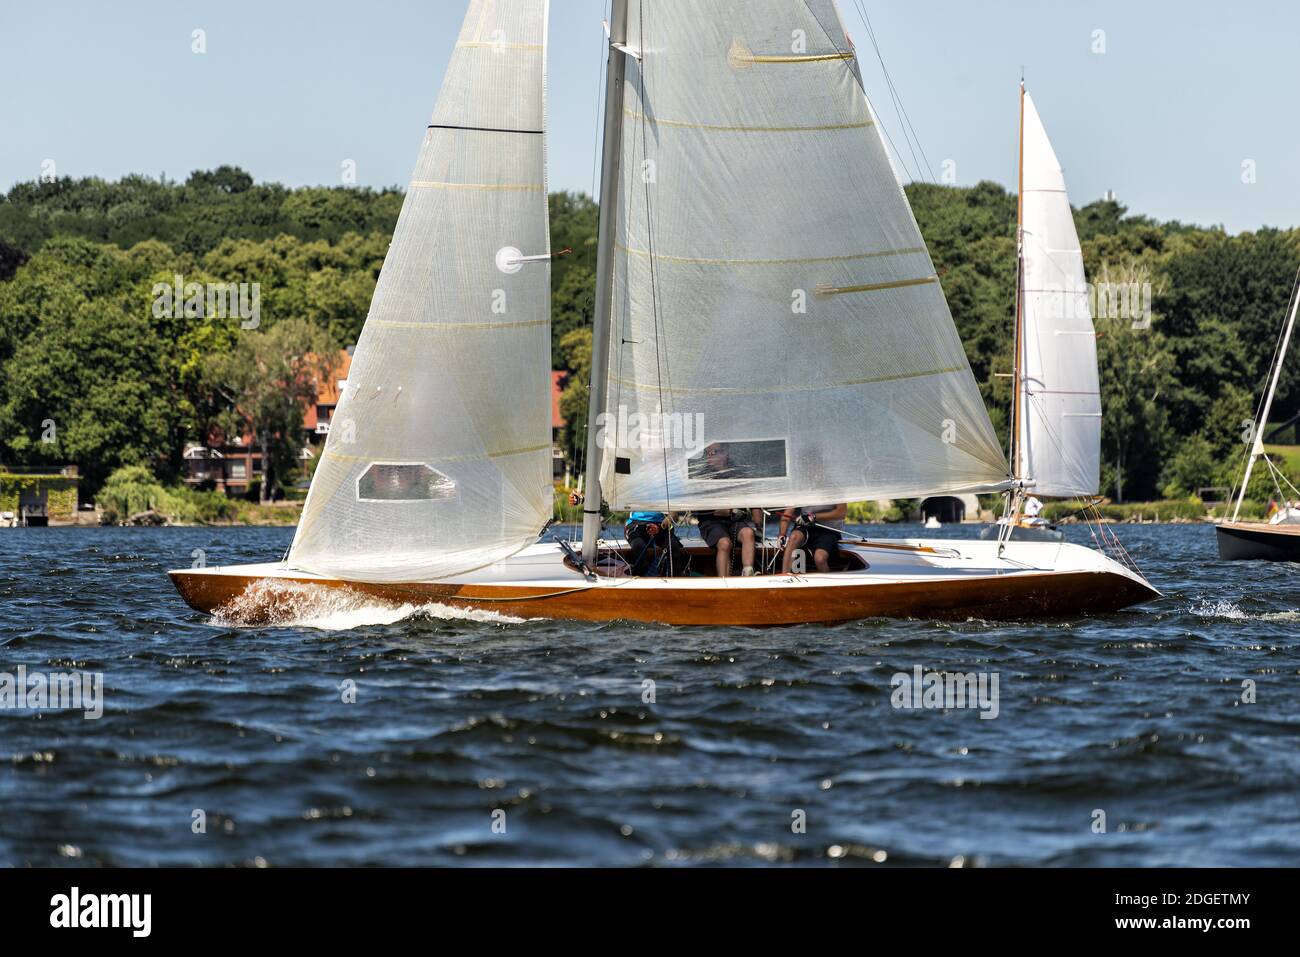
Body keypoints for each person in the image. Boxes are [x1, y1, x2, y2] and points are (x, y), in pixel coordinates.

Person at [696, 507, 763, 577]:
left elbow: (754, 505)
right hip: (711, 522)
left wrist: (758, 526)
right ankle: (723, 582)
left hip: (736, 521)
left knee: (748, 533)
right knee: (725, 543)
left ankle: (748, 574)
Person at [779, 504, 846, 574]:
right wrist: (782, 534)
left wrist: (814, 516)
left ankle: (830, 583)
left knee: (820, 558)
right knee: (794, 537)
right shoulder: (798, 492)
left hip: (829, 530)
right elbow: (788, 513)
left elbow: (841, 513)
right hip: (806, 526)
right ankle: (785, 576)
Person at [625, 509, 687, 577]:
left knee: (673, 546)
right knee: (638, 546)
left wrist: (660, 526)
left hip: (661, 524)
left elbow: (674, 514)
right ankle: (640, 575)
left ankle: (675, 578)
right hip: (636, 524)